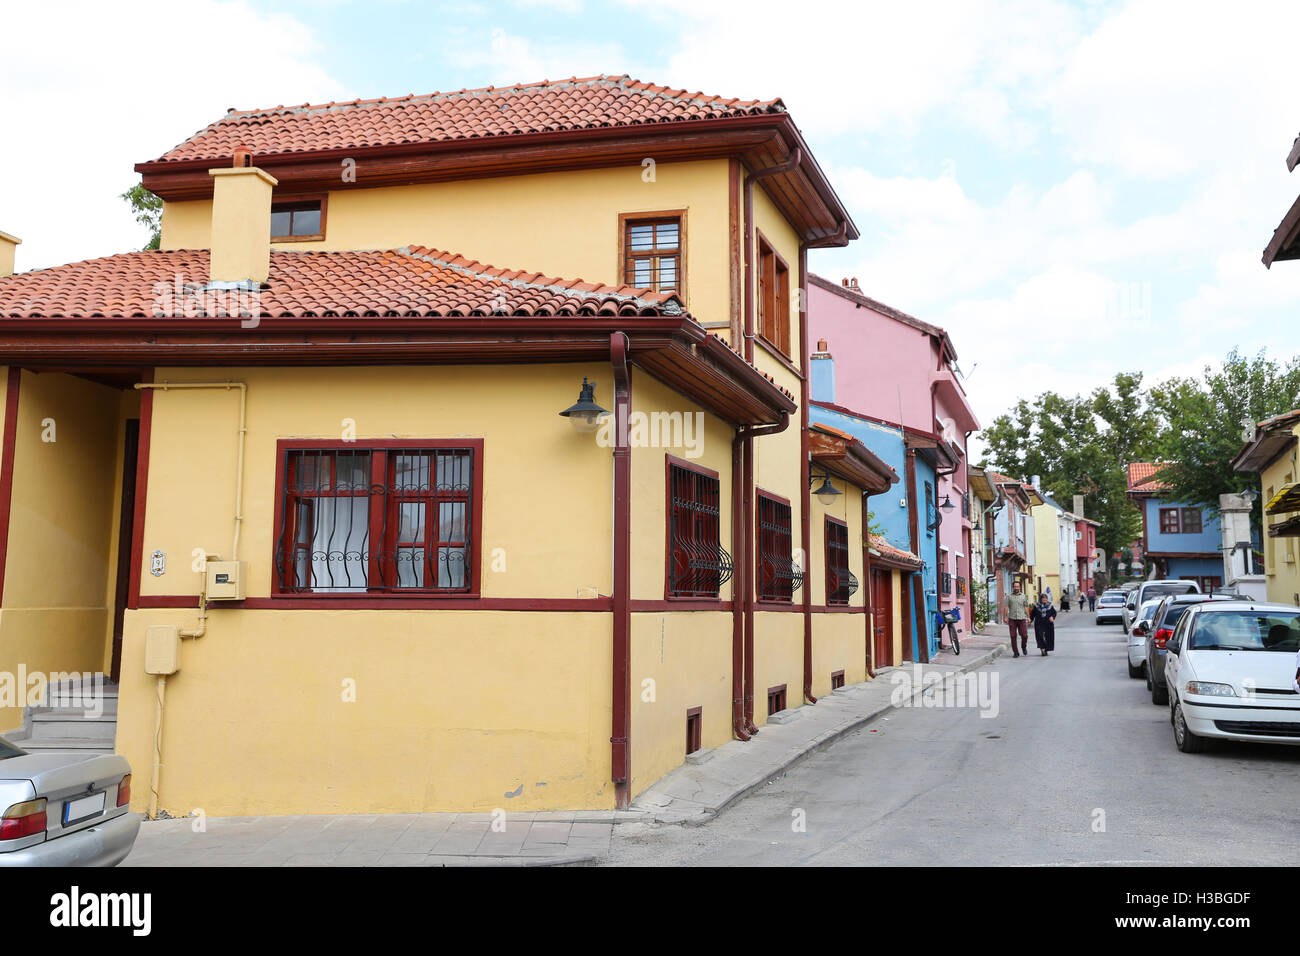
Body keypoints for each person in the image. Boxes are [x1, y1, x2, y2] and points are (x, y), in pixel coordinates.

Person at [1006, 581, 1030, 658]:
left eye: (1017, 586)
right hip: (1012, 618)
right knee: (1013, 636)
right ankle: (1015, 652)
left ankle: (1023, 647)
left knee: (1024, 635)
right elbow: (1006, 607)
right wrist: (1005, 617)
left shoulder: (1024, 596)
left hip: (1022, 618)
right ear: (1013, 587)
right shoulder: (1009, 597)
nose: (1016, 588)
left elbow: (1026, 607)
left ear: (1020, 587)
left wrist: (1028, 617)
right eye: (1015, 586)